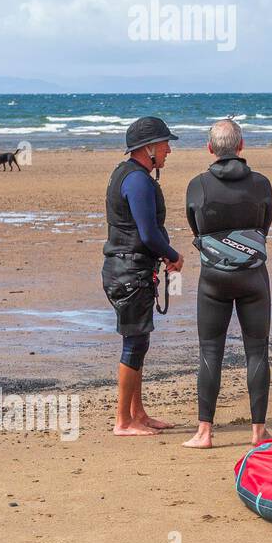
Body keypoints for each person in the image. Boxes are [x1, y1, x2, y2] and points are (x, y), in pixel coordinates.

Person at [183, 119, 272, 449]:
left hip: (214, 278)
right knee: (257, 351)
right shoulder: (261, 183)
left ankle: (204, 432)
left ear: (210, 148)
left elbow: (195, 226)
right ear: (241, 145)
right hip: (253, 276)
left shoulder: (197, 184)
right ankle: (258, 431)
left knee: (210, 351)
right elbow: (265, 224)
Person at [102, 117, 183, 436]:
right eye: (164, 145)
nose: (168, 151)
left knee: (139, 341)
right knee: (134, 342)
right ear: (148, 148)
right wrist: (173, 255)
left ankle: (138, 413)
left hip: (127, 269)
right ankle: (123, 421)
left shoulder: (127, 174)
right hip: (128, 273)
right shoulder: (137, 181)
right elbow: (148, 234)